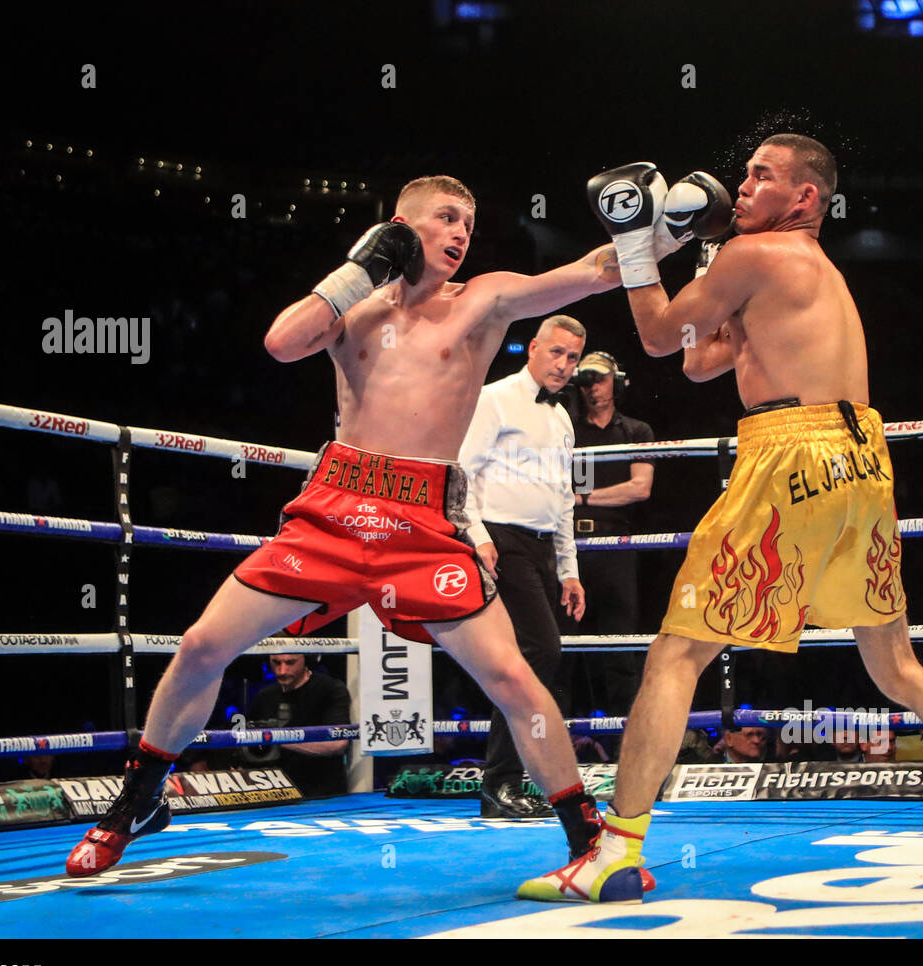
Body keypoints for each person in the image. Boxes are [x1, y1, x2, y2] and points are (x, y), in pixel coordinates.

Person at [519, 139, 923, 903]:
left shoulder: (759, 250)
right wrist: (706, 269)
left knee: (676, 654)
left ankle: (617, 851)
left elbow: (652, 337)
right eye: (742, 174)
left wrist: (639, 245)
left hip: (790, 452)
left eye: (761, 176)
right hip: (862, 459)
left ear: (806, 198)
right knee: (894, 665)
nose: (741, 187)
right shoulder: (798, 270)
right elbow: (699, 360)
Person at [66, 174, 631, 880]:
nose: (461, 234)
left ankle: (586, 835)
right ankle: (138, 802)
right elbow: (281, 342)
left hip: (422, 520)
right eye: (446, 219)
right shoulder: (355, 305)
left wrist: (659, 230)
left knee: (512, 676)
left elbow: (587, 274)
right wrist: (364, 266)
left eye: (469, 222)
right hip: (335, 506)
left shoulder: (481, 301)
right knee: (203, 643)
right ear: (401, 223)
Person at [457, 315, 588, 818]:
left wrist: (569, 568)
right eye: (556, 353)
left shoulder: (561, 419)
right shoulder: (494, 398)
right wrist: (478, 536)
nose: (563, 365)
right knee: (540, 649)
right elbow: (461, 471)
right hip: (500, 541)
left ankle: (506, 783)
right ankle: (501, 782)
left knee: (523, 660)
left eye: (572, 357)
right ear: (533, 347)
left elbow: (562, 499)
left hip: (537, 548)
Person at [561, 351, 656, 726]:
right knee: (562, 647)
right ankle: (557, 745)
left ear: (615, 382)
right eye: (584, 381)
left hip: (616, 546)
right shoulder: (565, 429)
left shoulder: (636, 430)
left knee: (619, 647)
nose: (591, 388)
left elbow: (640, 488)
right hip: (570, 546)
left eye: (598, 379)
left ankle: (626, 748)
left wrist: (582, 498)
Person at [246, 652, 352, 797]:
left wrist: (276, 739)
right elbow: (251, 747)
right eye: (276, 662)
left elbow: (338, 743)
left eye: (290, 663)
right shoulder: (264, 696)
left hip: (322, 794)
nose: (282, 671)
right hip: (274, 794)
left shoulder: (330, 689)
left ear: (306, 659)